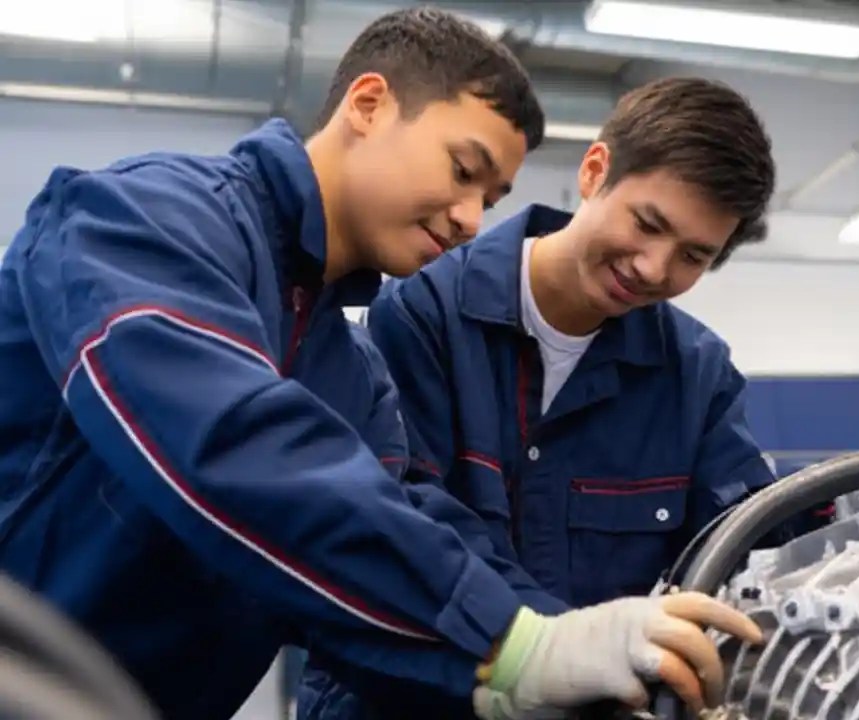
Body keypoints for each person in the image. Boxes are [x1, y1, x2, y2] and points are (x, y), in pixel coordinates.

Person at [0, 8, 760, 720]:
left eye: (490, 198)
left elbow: (408, 524)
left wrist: (581, 649)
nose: (470, 219)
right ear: (368, 105)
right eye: (464, 170)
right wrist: (514, 644)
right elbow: (232, 447)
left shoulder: (349, 371)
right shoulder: (142, 219)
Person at [299, 76, 780, 719]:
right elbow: (406, 538)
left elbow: (751, 551)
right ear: (595, 170)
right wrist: (571, 653)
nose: (654, 269)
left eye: (693, 255)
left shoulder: (699, 377)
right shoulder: (419, 318)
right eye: (647, 224)